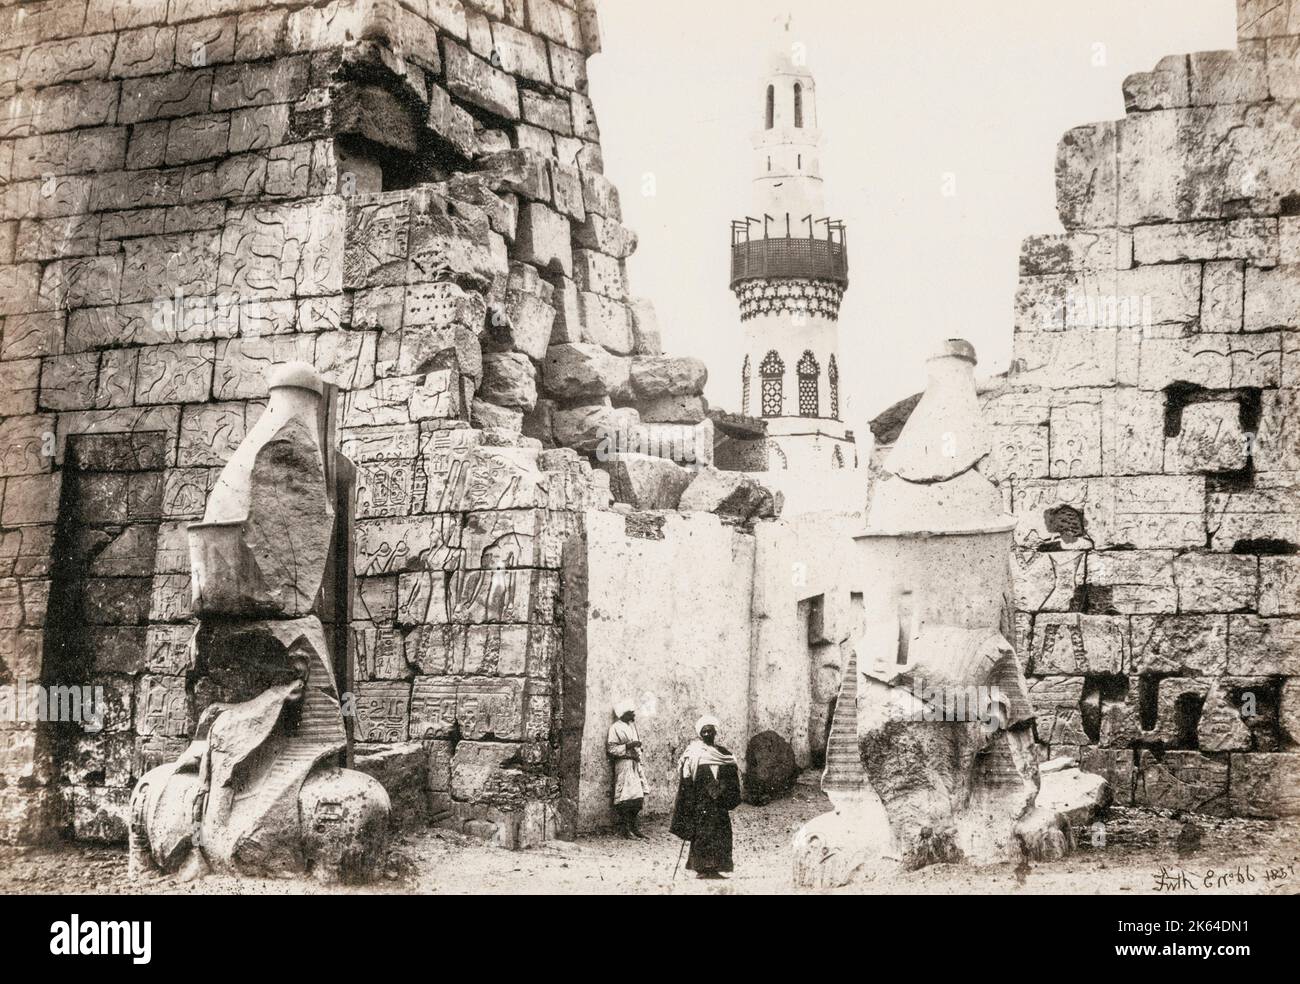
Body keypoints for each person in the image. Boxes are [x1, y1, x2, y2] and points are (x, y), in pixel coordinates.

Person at [670, 714, 741, 878]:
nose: (708, 734)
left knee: (721, 833)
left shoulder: (723, 753)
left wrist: (723, 787)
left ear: (715, 732)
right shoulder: (694, 753)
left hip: (719, 802)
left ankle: (716, 868)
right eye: (704, 732)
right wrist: (688, 800)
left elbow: (732, 773)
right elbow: (687, 778)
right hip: (702, 802)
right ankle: (702, 869)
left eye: (710, 731)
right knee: (702, 834)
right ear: (700, 734)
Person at [607, 700, 648, 839]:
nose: (633, 715)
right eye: (631, 713)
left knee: (638, 798)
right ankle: (626, 829)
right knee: (625, 797)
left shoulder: (632, 727)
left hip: (634, 764)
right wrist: (629, 746)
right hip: (624, 764)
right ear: (624, 714)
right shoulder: (615, 728)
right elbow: (611, 749)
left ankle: (634, 826)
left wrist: (638, 748)